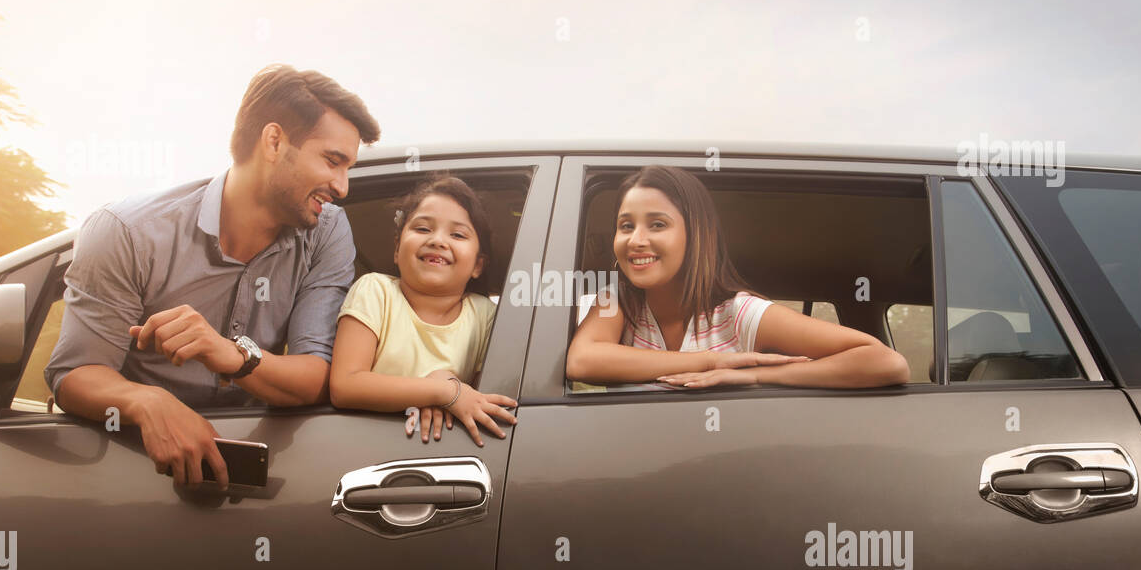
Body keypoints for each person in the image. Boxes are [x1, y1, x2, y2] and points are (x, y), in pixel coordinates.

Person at [44, 64, 381, 486]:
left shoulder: (328, 231)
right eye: (333, 162)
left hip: (270, 480)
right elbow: (75, 373)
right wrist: (146, 401)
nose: (342, 186)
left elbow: (314, 377)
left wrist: (235, 356)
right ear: (274, 141)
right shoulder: (127, 231)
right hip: (126, 475)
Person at [566, 165, 911, 388]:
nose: (636, 240)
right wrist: (714, 361)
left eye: (657, 224)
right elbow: (582, 361)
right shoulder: (617, 303)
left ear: (696, 234)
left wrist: (756, 375)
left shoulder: (738, 314)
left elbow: (886, 363)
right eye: (626, 226)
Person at [329, 173, 517, 447]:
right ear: (396, 249)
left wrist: (447, 392)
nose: (438, 240)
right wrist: (443, 390)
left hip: (438, 450)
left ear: (478, 264)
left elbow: (478, 397)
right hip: (360, 444)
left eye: (457, 234)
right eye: (423, 229)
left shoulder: (485, 315)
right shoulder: (376, 291)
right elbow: (346, 386)